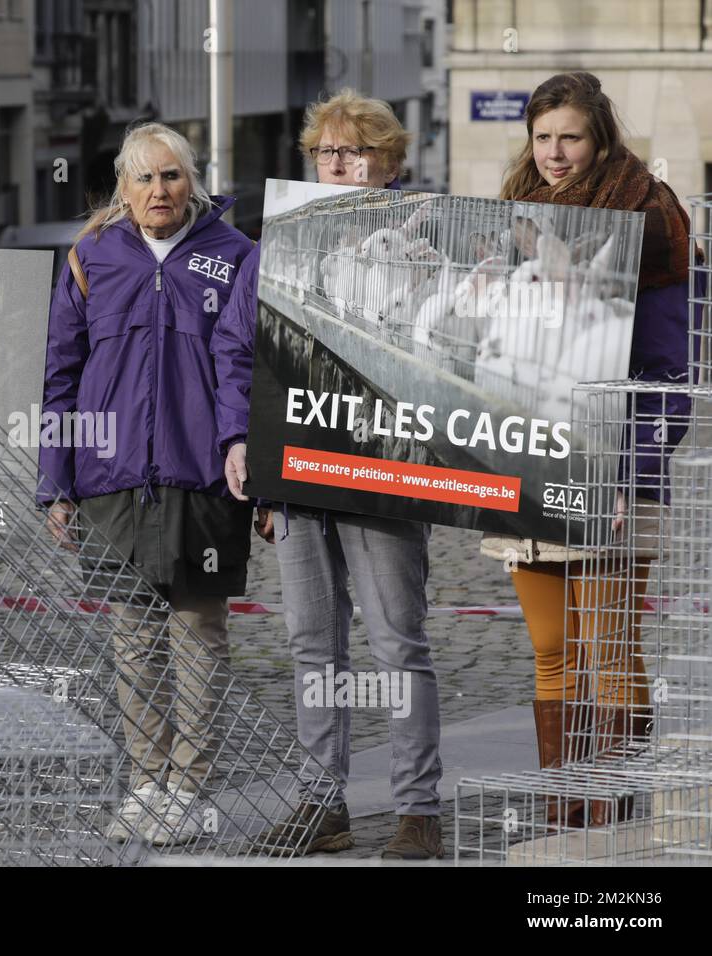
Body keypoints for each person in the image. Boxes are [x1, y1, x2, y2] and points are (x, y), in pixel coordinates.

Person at [211, 89, 444, 859]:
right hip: (298, 475)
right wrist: (240, 441)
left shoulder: (425, 237)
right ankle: (322, 804)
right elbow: (236, 352)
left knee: (396, 643)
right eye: (325, 153)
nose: (337, 164)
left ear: (390, 163)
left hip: (383, 474)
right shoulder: (280, 242)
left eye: (354, 152)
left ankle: (417, 809)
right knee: (315, 645)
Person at [480, 72, 696, 827]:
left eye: (570, 136)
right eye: (543, 137)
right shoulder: (520, 214)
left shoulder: (650, 215)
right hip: (530, 458)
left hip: (611, 477)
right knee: (550, 646)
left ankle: (616, 814)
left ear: (599, 135)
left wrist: (627, 476)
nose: (555, 153)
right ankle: (566, 812)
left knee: (609, 648)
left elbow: (670, 374)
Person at [38, 122, 254, 846]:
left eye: (170, 176)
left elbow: (244, 369)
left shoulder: (236, 255)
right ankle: (146, 782)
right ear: (122, 189)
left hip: (203, 475)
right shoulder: (91, 256)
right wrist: (55, 482)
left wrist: (242, 448)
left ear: (190, 179)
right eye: (143, 178)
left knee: (197, 635)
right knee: (133, 639)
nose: (158, 190)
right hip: (112, 476)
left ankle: (190, 788)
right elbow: (60, 374)